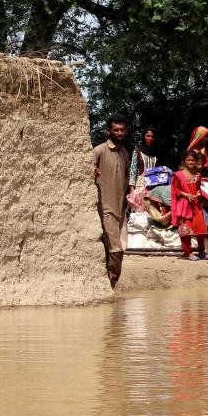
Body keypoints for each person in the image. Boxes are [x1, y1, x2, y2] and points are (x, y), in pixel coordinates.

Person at [92, 115, 131, 287]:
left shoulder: (125, 153)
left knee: (120, 247)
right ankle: (109, 286)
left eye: (122, 130)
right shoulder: (99, 150)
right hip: (104, 207)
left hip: (120, 209)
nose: (119, 133)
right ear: (109, 131)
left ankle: (110, 287)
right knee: (116, 248)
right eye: (116, 130)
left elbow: (127, 178)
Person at [172, 150, 208, 261]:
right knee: (185, 229)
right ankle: (187, 252)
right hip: (184, 205)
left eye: (193, 160)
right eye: (188, 160)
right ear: (184, 161)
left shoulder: (198, 175)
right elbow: (175, 189)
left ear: (196, 161)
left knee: (200, 228)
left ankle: (202, 251)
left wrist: (198, 194)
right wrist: (186, 195)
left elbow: (198, 189)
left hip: (196, 205)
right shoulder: (179, 175)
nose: (191, 162)